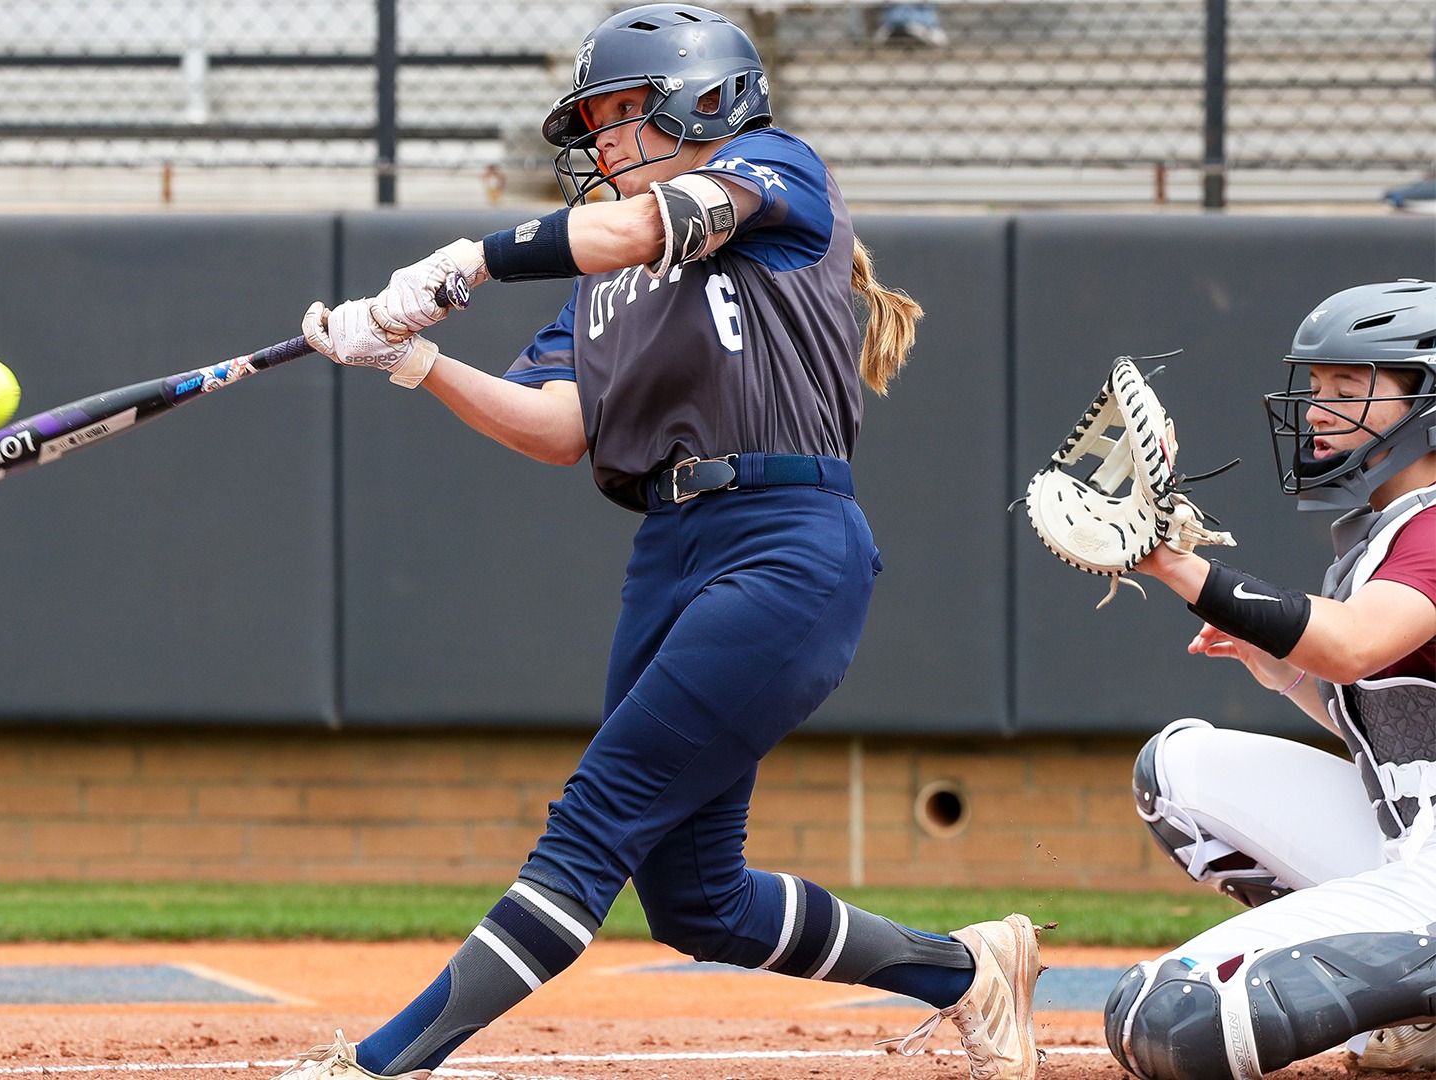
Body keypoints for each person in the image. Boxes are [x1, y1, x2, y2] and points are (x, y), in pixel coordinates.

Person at [276, 7, 1041, 1079]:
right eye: (594, 123)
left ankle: (381, 1064)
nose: (603, 144)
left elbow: (642, 229)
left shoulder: (778, 166)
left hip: (787, 543)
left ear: (704, 97)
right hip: (672, 547)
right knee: (696, 900)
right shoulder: (600, 279)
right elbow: (557, 428)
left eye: (622, 114)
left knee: (591, 824)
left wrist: (466, 263)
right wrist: (414, 362)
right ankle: (972, 973)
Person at [1107, 279, 1436, 1080]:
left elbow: (1355, 645)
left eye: (1351, 387)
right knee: (1177, 772)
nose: (1320, 409)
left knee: (1170, 1018)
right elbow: (1396, 730)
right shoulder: (1390, 528)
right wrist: (1287, 676)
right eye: (1318, 387)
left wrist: (1176, 564)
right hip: (1416, 844)